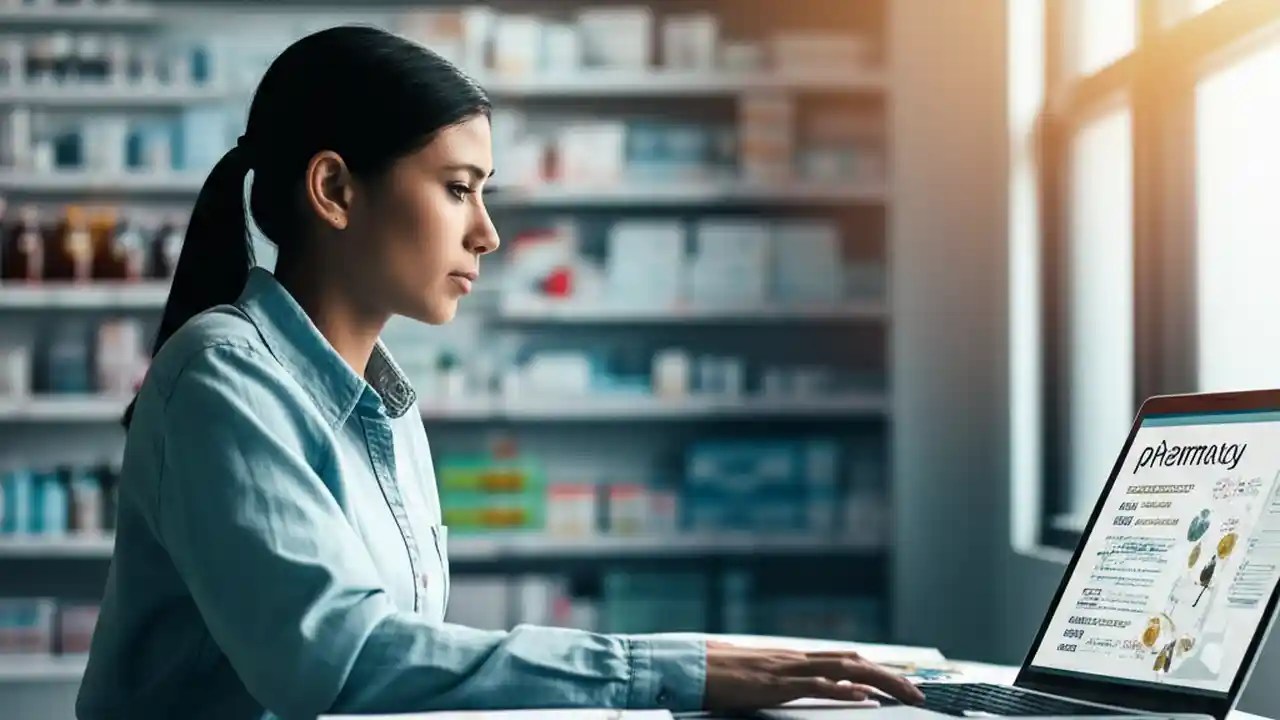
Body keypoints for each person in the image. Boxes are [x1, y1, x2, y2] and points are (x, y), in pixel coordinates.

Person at [75, 26, 925, 720]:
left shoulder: (385, 404)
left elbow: (403, 670)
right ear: (335, 189)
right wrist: (668, 668)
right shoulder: (221, 378)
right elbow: (342, 663)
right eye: (457, 188)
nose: (487, 233)